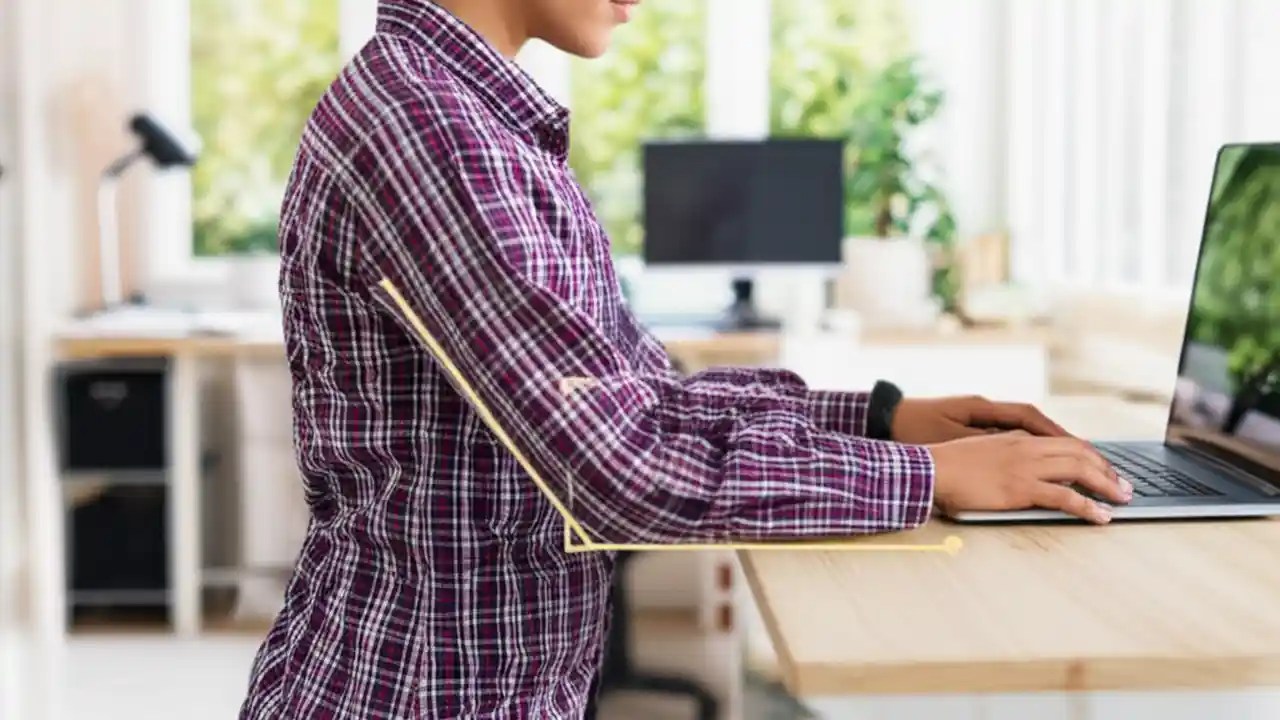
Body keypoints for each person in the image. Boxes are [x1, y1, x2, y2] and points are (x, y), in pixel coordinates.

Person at [238, 1, 1133, 718]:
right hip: (418, 690)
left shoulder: (471, 120)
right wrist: (921, 476)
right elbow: (623, 472)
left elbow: (637, 401)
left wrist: (879, 418)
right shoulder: (437, 138)